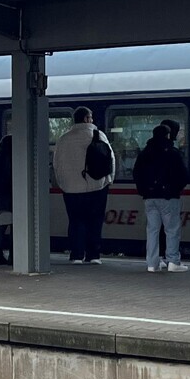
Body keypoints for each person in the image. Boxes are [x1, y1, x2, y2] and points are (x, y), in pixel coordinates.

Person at [51, 107, 114, 265]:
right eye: (90, 118)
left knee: (76, 220)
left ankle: (76, 254)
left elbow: (56, 164)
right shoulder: (99, 135)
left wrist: (63, 184)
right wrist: (108, 180)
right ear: (86, 119)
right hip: (97, 186)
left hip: (71, 189)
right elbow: (110, 160)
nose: (92, 120)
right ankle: (93, 255)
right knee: (95, 220)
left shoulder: (63, 139)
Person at [133, 119, 190, 272]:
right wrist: (174, 189)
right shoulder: (172, 153)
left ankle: (152, 263)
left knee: (152, 230)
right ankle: (173, 262)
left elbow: (137, 174)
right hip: (169, 197)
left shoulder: (144, 153)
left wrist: (145, 191)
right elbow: (183, 175)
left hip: (149, 198)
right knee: (171, 230)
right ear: (168, 135)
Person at [0, 134, 15, 266]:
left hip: (1, 196)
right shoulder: (15, 158)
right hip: (14, 195)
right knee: (14, 227)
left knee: (2, 227)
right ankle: (12, 255)